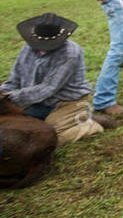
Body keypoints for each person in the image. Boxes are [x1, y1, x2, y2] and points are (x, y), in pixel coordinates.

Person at [2, 13, 105, 143]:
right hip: (34, 100)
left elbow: (49, 88)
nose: (43, 49)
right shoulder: (28, 47)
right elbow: (15, 78)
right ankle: (74, 118)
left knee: (51, 137)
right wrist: (4, 92)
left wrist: (11, 97)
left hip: (65, 101)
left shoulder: (70, 53)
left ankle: (89, 126)